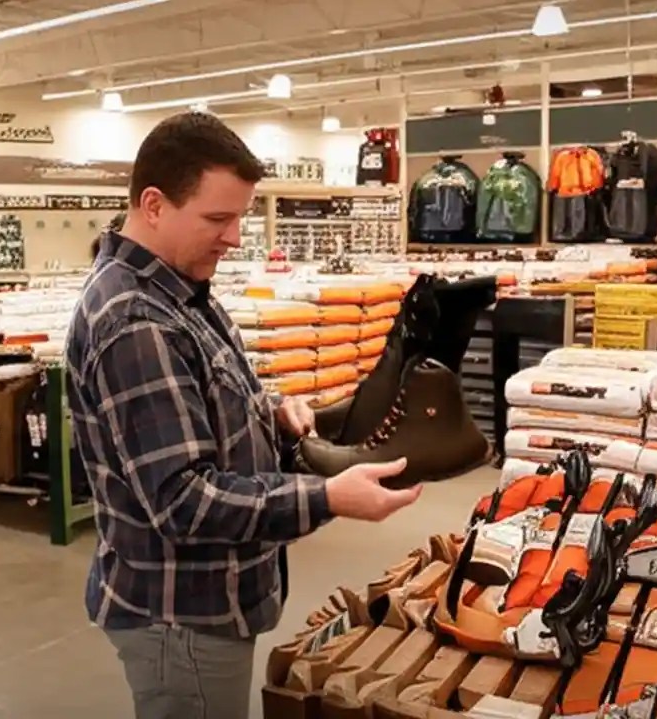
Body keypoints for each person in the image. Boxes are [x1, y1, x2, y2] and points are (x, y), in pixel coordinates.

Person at [64, 112, 423, 719]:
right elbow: (181, 501)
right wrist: (328, 497)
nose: (234, 237)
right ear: (153, 204)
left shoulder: (179, 291)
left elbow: (204, 407)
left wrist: (269, 417)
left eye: (240, 217)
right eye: (218, 218)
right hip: (184, 618)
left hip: (206, 602)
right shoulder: (136, 323)